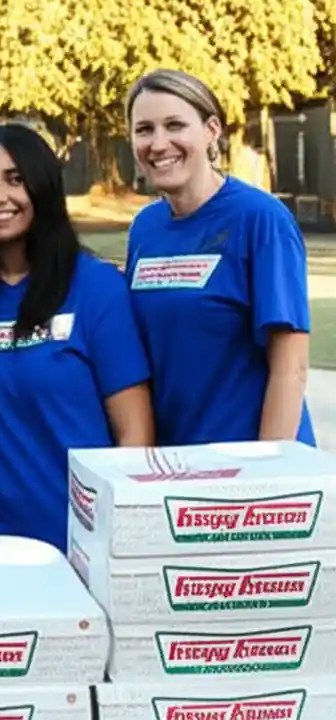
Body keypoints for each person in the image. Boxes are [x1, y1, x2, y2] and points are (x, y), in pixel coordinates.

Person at [0, 123, 155, 552]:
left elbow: (134, 435)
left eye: (16, 179)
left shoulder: (96, 289)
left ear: (43, 189)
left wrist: (113, 550)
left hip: (81, 553)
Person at [125, 70, 314, 446]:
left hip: (247, 468)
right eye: (144, 129)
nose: (158, 143)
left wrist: (265, 472)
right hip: (177, 465)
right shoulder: (145, 228)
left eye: (175, 125)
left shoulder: (260, 219)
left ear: (212, 130)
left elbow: (290, 368)